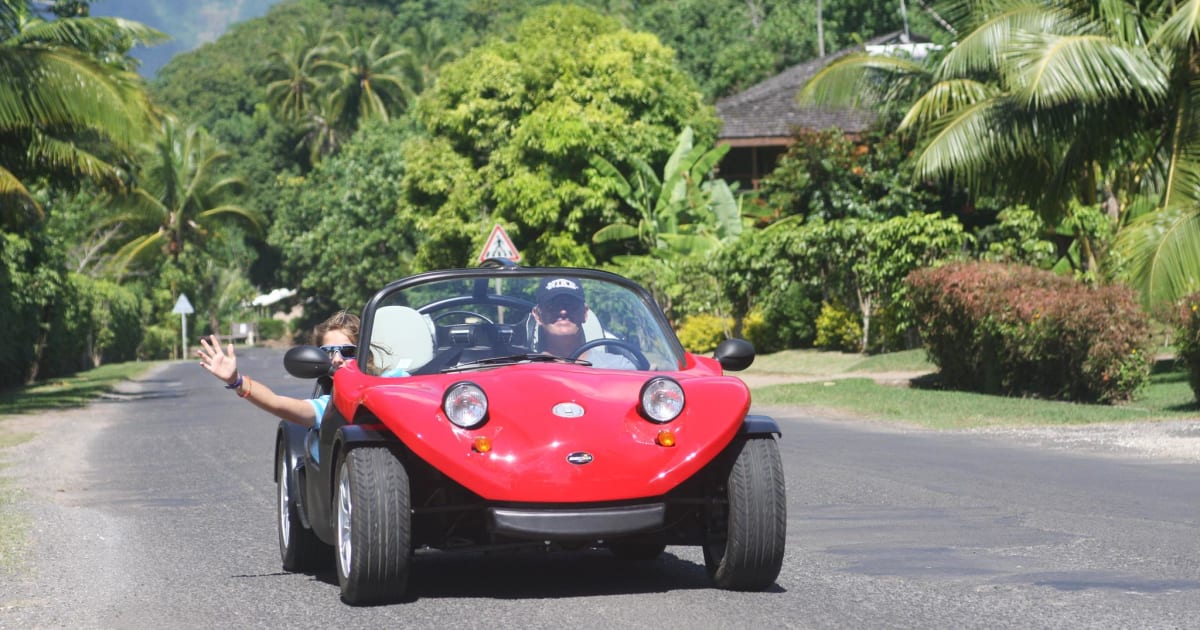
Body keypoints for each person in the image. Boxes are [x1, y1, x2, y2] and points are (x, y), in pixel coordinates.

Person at [196, 310, 360, 428]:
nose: (337, 359)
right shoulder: (327, 407)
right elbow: (276, 402)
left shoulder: (385, 386)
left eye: (347, 352)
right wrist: (236, 380)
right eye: (328, 352)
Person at [531, 277, 637, 369]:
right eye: (553, 305)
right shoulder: (521, 372)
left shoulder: (618, 368)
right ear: (537, 315)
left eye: (571, 304)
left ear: (585, 313)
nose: (563, 312)